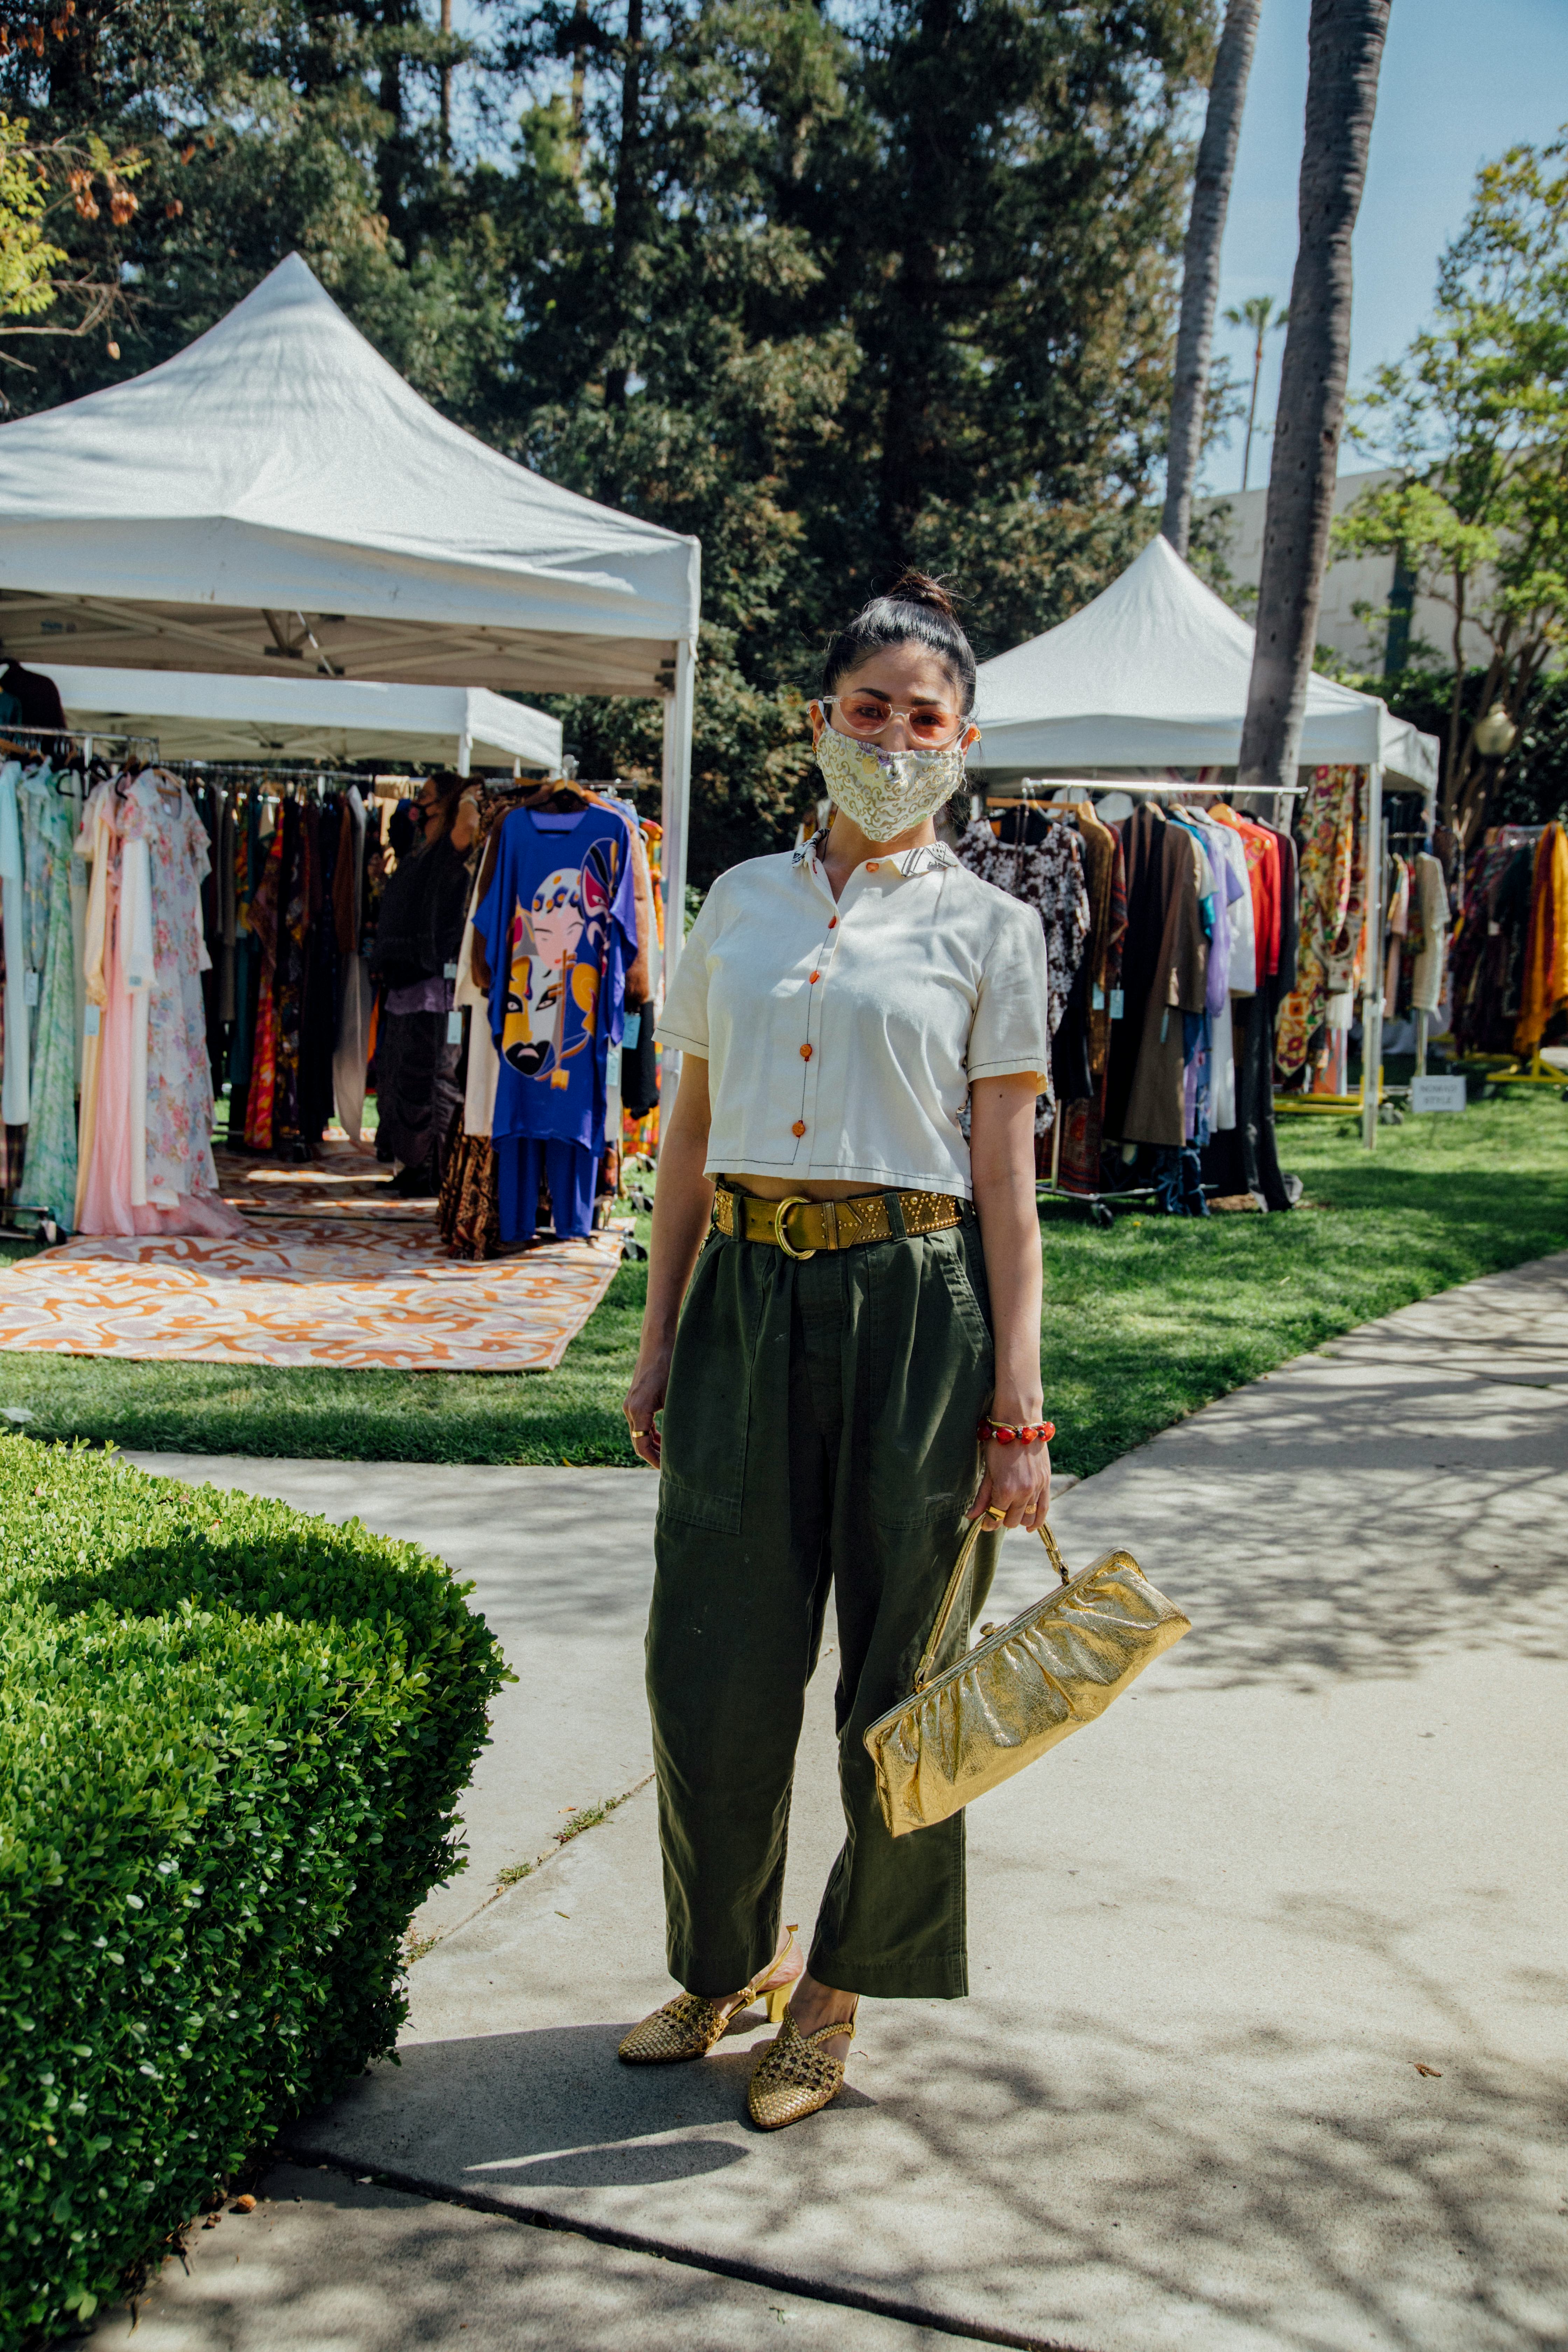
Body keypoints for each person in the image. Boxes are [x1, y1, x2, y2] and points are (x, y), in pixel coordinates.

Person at [620, 574, 1054, 2130]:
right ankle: (723, 1955)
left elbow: (1003, 1176)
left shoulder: (987, 926)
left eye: (920, 716)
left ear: (961, 740)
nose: (889, 736)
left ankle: (839, 1982)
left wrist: (1018, 1395)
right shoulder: (735, 901)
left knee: (907, 1672)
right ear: (816, 718)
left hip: (916, 1303)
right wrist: (658, 1334)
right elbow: (685, 1143)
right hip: (744, 1287)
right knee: (709, 1662)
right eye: (864, 707)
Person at [369, 771, 476, 1197]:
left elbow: (469, 822)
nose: (418, 805)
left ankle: (434, 1172)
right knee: (403, 1081)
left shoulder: (451, 849)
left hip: (435, 988)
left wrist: (467, 792)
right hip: (406, 984)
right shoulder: (421, 852)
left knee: (433, 1080)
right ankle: (413, 1165)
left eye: (428, 798)